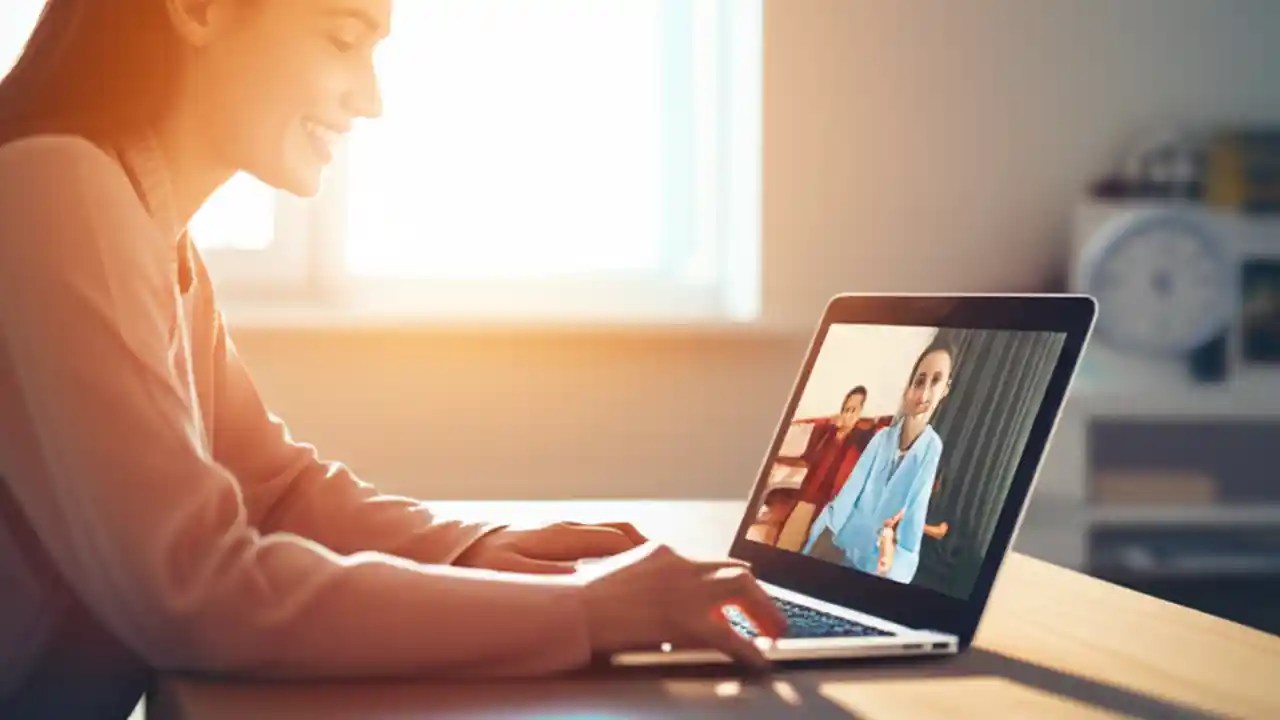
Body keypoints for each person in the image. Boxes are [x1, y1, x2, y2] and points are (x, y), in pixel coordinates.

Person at [0, 2, 785, 717]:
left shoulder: (142, 220)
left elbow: (272, 490)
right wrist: (588, 613)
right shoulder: (57, 188)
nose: (368, 97)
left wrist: (468, 547)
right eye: (343, 40)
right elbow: (195, 591)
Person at [801, 339, 955, 583]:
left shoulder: (931, 447)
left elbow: (912, 530)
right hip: (839, 540)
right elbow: (849, 494)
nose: (924, 393)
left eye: (935, 381)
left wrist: (892, 562)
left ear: (945, 389)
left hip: (875, 562)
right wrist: (824, 536)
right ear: (909, 388)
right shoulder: (882, 437)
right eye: (919, 381)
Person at [772, 386, 874, 551]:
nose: (848, 415)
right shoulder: (826, 433)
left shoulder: (861, 441)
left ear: (860, 413)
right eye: (846, 409)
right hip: (809, 497)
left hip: (832, 506)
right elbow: (808, 459)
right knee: (787, 543)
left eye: (854, 410)